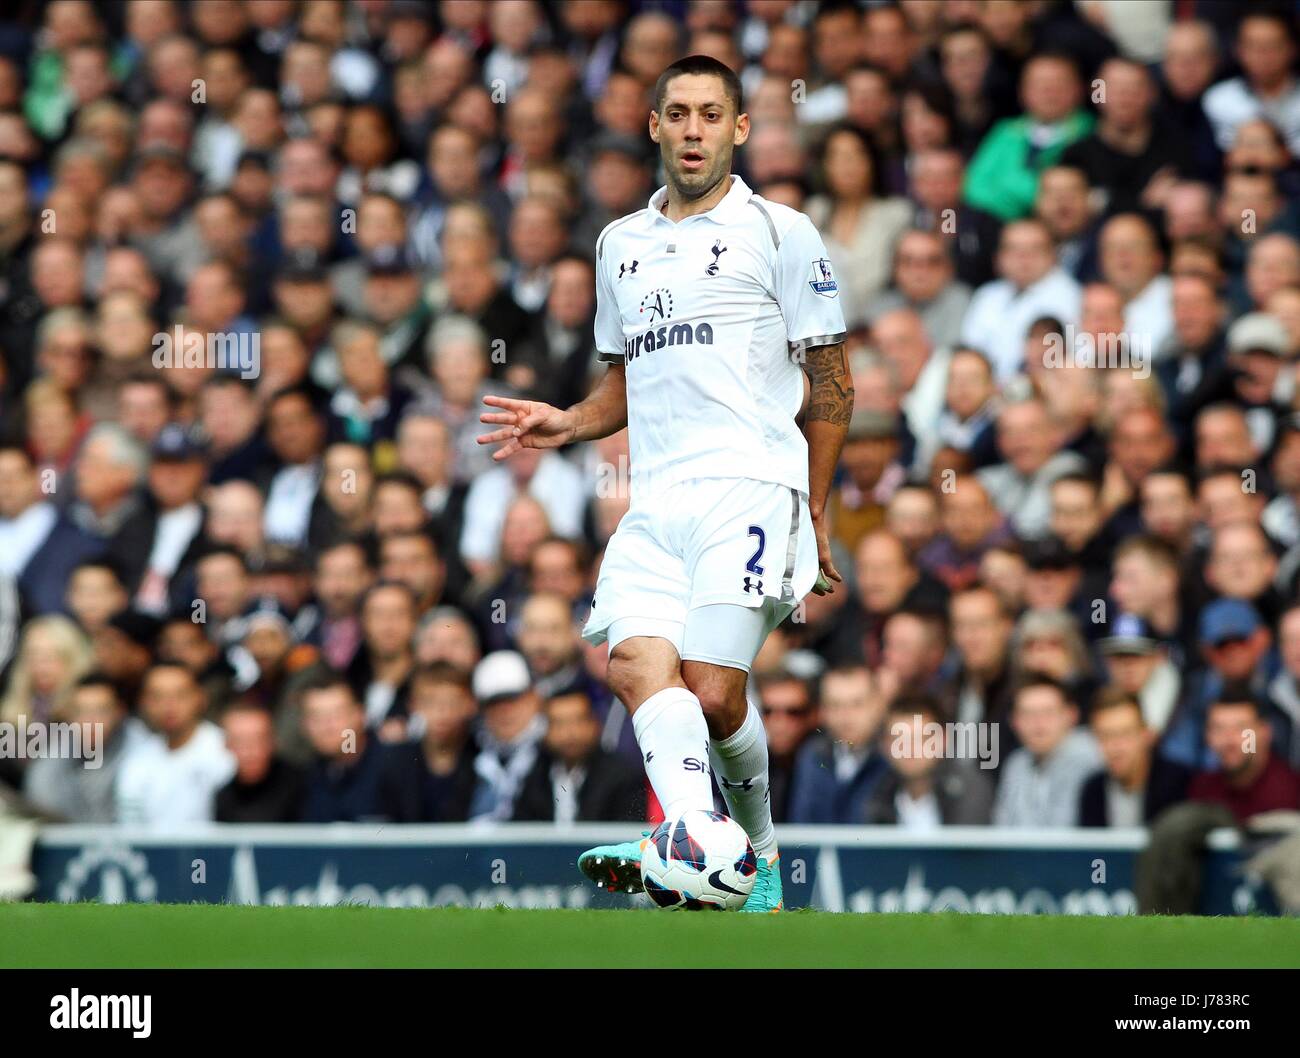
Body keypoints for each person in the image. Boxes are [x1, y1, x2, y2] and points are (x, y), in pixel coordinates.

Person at [477, 57, 851, 912]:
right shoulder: (619, 246)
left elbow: (833, 382)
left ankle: (743, 847)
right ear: (653, 125)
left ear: (739, 130)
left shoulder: (782, 231)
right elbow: (624, 385)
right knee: (636, 665)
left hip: (752, 487)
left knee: (715, 691)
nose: (692, 130)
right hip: (657, 498)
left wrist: (816, 506)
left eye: (710, 114)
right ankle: (698, 838)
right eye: (677, 113)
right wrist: (568, 422)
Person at [513, 691, 647, 823]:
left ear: (595, 723)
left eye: (578, 721)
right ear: (546, 730)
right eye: (559, 724)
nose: (570, 733)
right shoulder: (535, 776)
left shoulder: (622, 777)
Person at [992, 675, 1102, 827]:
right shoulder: (1015, 763)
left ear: (1071, 715)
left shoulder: (1091, 757)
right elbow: (1002, 829)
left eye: (1047, 712)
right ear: (1014, 721)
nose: (1038, 723)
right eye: (1028, 714)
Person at [1079, 687, 1192, 827]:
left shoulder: (1179, 784)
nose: (1115, 747)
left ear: (1146, 735)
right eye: (1105, 736)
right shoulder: (1093, 791)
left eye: (1124, 734)